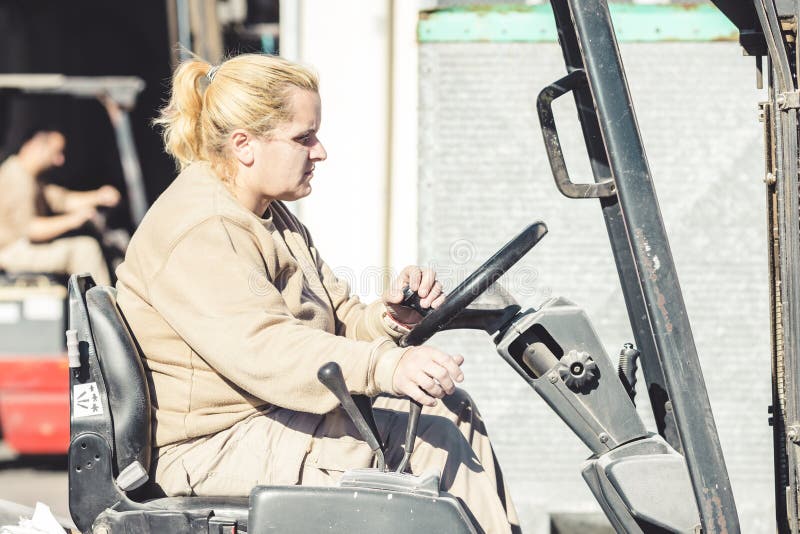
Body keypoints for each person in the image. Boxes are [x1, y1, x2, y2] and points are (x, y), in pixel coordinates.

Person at [115, 54, 520, 534]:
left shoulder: (268, 215)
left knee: (450, 409)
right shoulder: (203, 228)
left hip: (270, 416)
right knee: (431, 443)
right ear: (244, 145)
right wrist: (386, 366)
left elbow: (335, 317)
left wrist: (392, 320)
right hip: (212, 444)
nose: (320, 151)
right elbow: (266, 350)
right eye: (303, 138)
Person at [0, 130, 120, 285]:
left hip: (19, 248)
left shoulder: (30, 177)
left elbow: (63, 200)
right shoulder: (15, 178)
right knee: (84, 250)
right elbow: (31, 229)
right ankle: (100, 308)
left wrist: (99, 196)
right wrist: (74, 220)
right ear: (37, 146)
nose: (60, 160)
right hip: (10, 252)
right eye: (56, 152)